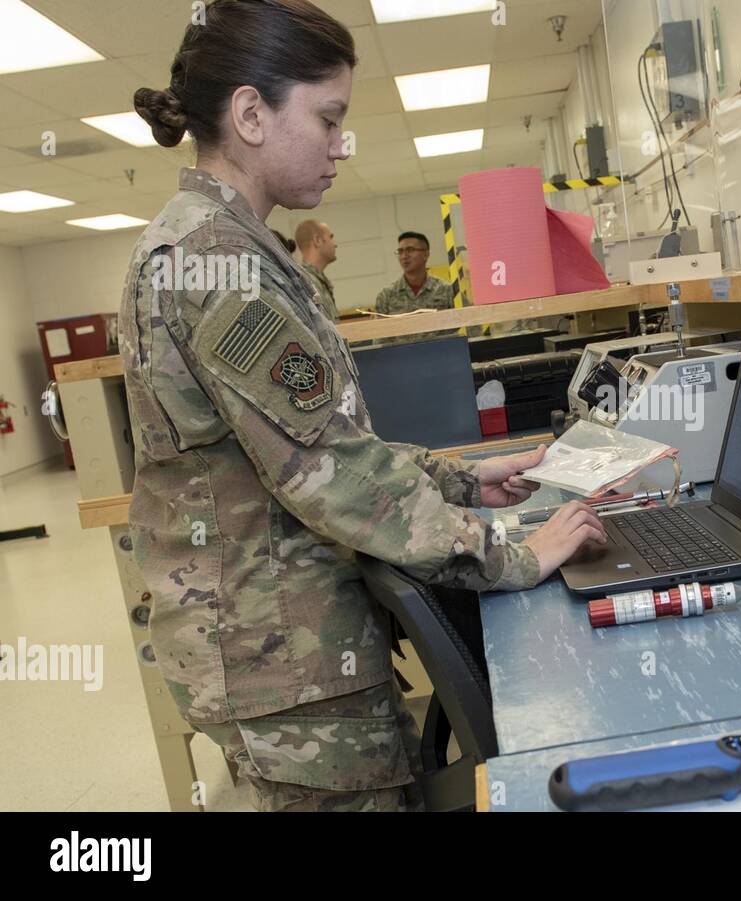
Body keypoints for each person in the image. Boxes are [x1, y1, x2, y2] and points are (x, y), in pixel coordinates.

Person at [123, 0, 604, 812]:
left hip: (287, 642)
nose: (343, 144)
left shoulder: (240, 249)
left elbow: (325, 437)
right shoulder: (212, 263)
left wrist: (464, 480)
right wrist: (512, 555)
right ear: (250, 113)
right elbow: (331, 471)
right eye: (328, 118)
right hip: (279, 662)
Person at [374, 231, 455, 317]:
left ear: (426, 254)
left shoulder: (446, 291)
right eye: (400, 251)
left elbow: (467, 321)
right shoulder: (386, 296)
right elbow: (378, 329)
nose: (404, 256)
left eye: (410, 250)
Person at [294, 218, 340, 321]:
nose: (335, 244)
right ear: (318, 240)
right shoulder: (307, 282)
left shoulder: (316, 280)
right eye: (331, 237)